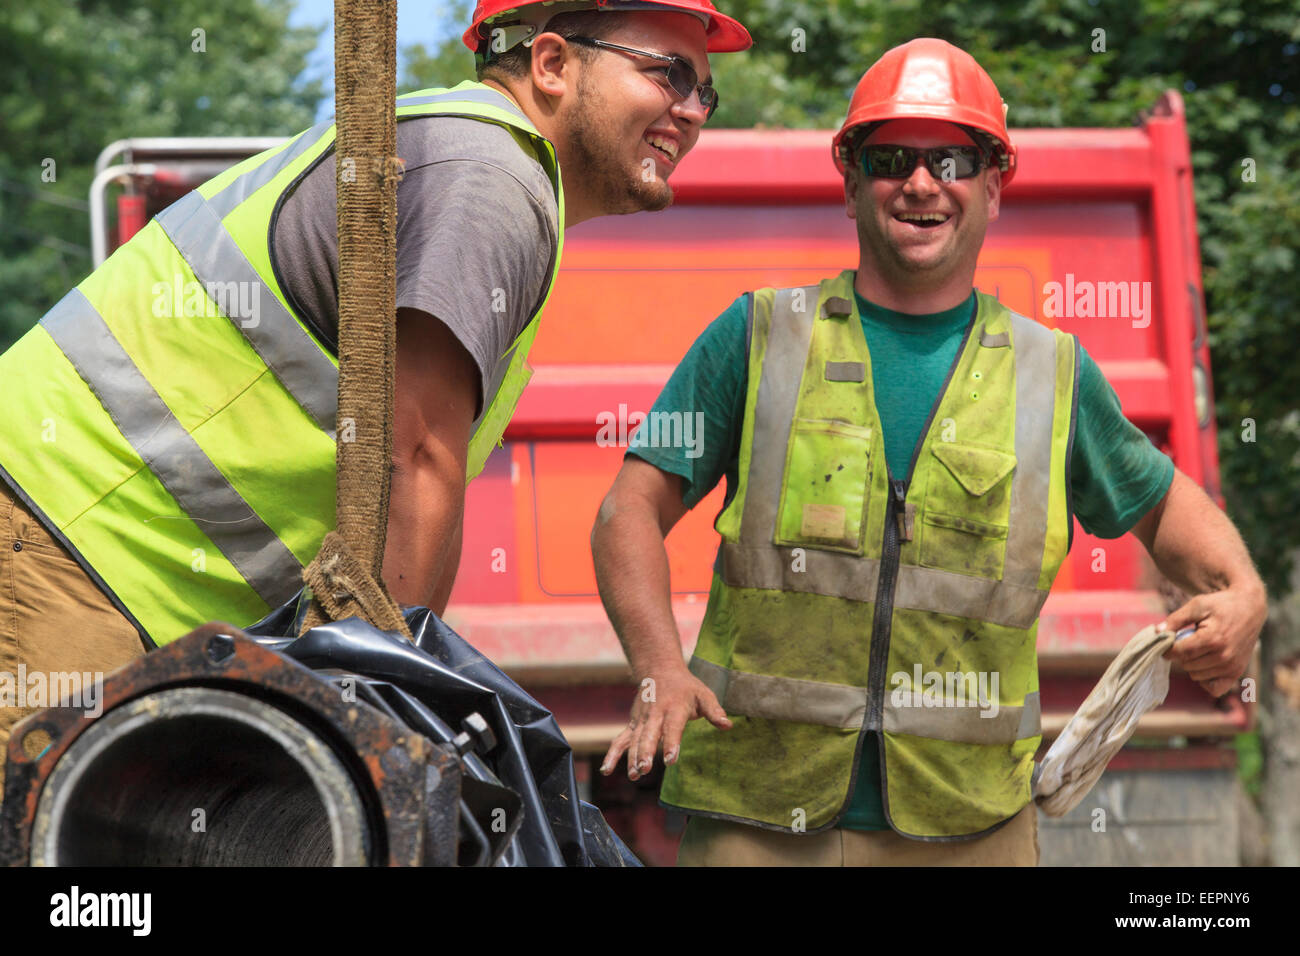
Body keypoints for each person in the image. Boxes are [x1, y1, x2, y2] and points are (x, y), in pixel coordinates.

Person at [0, 0, 752, 771]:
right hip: (62, 535)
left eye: (706, 93)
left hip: (103, 557)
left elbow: (421, 465)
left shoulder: (485, 169)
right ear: (553, 64)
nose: (691, 111)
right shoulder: (487, 177)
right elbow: (414, 457)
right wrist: (385, 722)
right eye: (669, 75)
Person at [590, 37, 1268, 866]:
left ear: (993, 184)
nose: (919, 182)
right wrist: (658, 665)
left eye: (950, 159)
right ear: (850, 184)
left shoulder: (1050, 377)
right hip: (756, 821)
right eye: (890, 159)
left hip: (970, 827)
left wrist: (1243, 595)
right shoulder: (758, 336)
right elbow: (628, 508)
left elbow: (1167, 508)